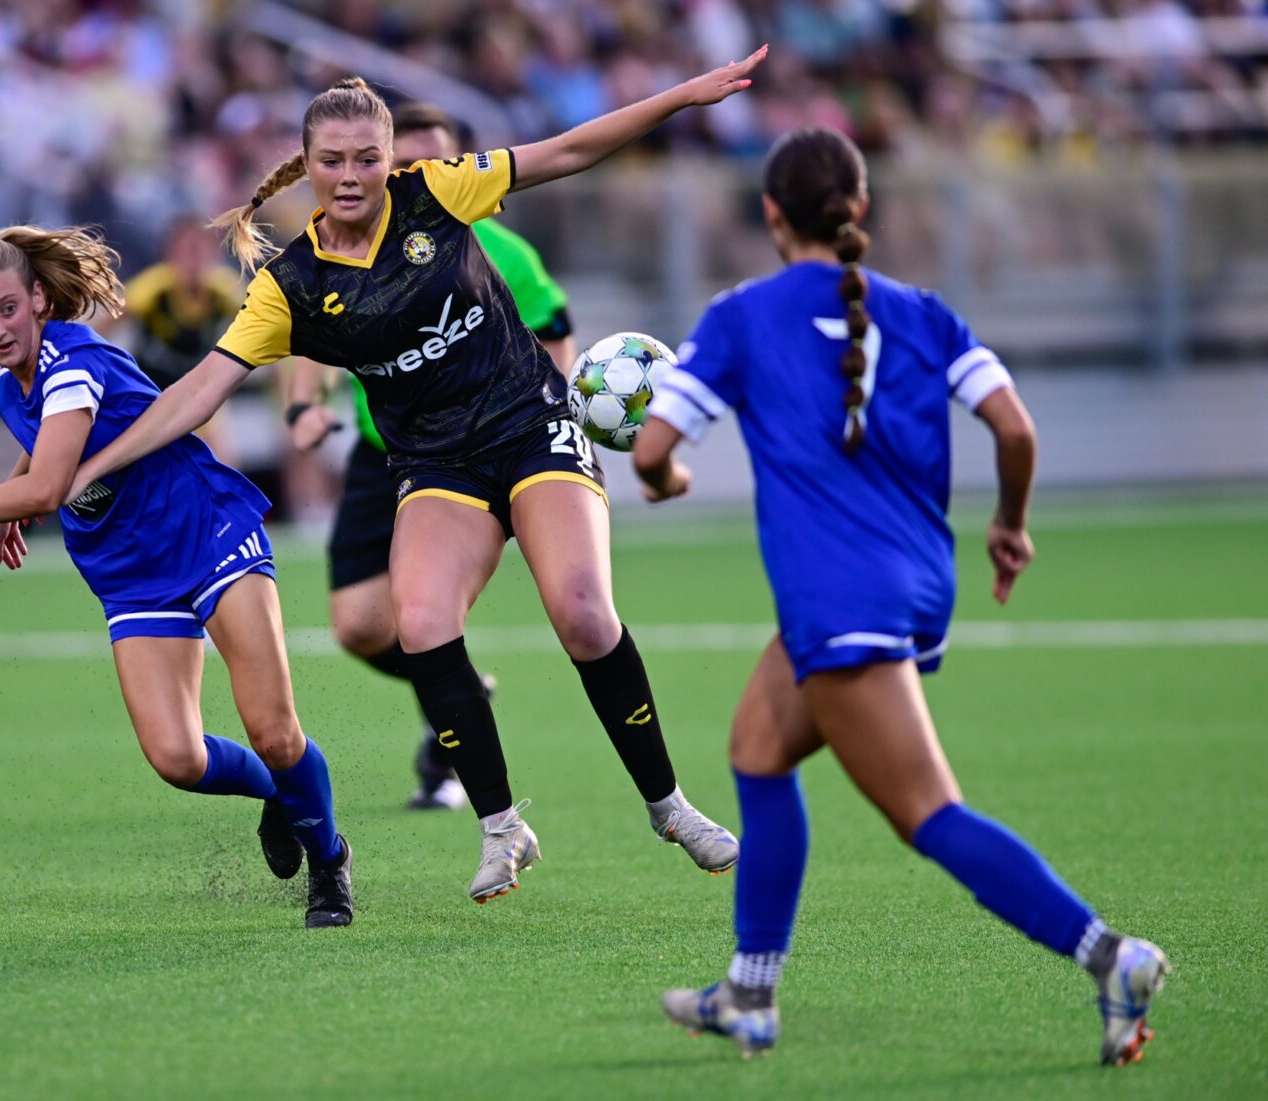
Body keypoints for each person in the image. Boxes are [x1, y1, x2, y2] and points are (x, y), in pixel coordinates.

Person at [64, 59, 773, 904]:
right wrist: (93, 466)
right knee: (422, 620)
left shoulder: (438, 191)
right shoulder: (290, 287)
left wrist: (681, 97)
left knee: (582, 612)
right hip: (435, 463)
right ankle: (502, 827)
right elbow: (198, 390)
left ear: (391, 156)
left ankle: (669, 805)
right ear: (308, 165)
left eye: (367, 157)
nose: (351, 175)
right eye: (333, 160)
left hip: (531, 427)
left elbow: (571, 149)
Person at [637, 128, 1168, 1064]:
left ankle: (1110, 955)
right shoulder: (924, 312)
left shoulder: (741, 315)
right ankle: (750, 994)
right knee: (757, 750)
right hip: (918, 582)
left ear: (770, 215)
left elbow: (650, 449)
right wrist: (1010, 524)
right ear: (862, 207)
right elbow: (1014, 426)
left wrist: (667, 480)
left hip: (838, 597)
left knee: (928, 813)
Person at [0, 226, 353, 928]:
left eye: (8, 309)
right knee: (177, 756)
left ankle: (329, 858)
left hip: (207, 531)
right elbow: (48, 449)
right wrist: (11, 486)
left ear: (40, 299)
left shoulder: (74, 358)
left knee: (272, 727)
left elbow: (51, 487)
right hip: (129, 571)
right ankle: (280, 792)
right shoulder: (7, 389)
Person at [285, 100, 576, 812]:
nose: (412, 173)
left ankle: (457, 766)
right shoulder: (339, 246)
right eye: (403, 160)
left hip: (468, 457)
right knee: (357, 625)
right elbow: (310, 334)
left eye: (426, 160)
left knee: (429, 614)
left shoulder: (501, 251)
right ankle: (459, 690)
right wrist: (303, 406)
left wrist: (554, 405)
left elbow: (555, 328)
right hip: (381, 453)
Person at [118, 216, 241, 454]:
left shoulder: (223, 291)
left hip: (193, 389)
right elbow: (102, 327)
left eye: (201, 250)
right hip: (147, 392)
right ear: (170, 254)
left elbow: (263, 321)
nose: (194, 259)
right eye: (187, 250)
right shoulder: (153, 288)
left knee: (223, 459)